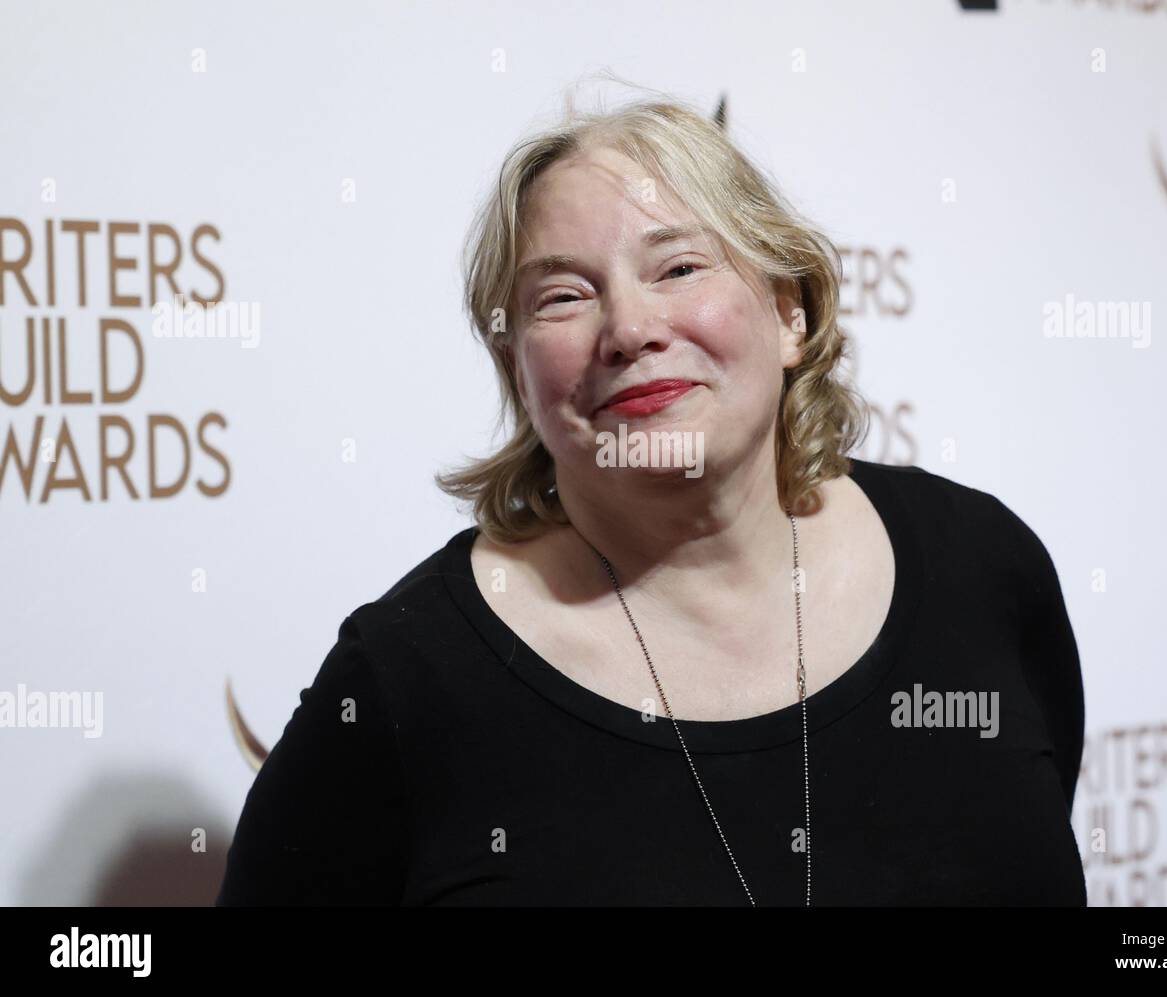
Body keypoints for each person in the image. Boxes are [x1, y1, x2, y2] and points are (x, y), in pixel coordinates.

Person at [216, 92, 1086, 907]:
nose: (630, 328)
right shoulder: (408, 678)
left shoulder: (982, 565)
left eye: (676, 266)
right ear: (519, 372)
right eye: (563, 295)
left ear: (789, 312)